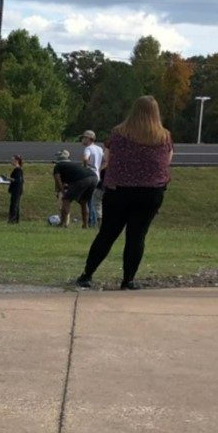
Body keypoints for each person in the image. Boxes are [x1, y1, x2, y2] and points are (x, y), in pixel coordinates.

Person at [76, 95, 174, 291]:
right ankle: (128, 280)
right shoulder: (164, 136)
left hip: (119, 190)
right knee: (137, 236)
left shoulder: (119, 133)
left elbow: (108, 157)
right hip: (151, 192)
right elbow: (167, 161)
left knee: (107, 234)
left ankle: (87, 274)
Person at [53, 150, 98, 227]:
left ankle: (63, 223)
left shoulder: (58, 166)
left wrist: (63, 192)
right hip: (94, 177)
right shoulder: (74, 164)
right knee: (84, 202)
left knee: (66, 200)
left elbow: (58, 181)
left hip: (81, 179)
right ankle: (85, 224)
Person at [81, 130, 104, 227]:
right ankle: (96, 221)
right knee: (93, 199)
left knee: (88, 199)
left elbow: (85, 158)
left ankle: (92, 221)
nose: (83, 140)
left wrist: (85, 167)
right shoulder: (99, 149)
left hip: (90, 175)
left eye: (84, 138)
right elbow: (105, 160)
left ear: (89, 139)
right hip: (97, 175)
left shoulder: (88, 149)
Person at [6, 155, 24, 224]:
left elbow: (18, 180)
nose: (11, 161)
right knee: (15, 204)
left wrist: (9, 179)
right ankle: (15, 219)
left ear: (16, 161)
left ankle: (12, 219)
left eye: (12, 160)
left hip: (16, 190)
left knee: (14, 205)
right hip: (16, 190)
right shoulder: (16, 170)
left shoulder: (18, 170)